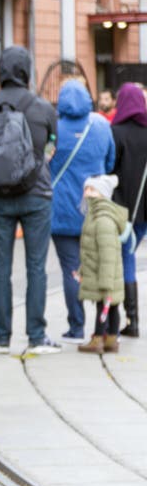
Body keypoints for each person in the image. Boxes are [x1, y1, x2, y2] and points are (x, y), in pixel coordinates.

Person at [0, 46, 59, 355]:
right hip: (36, 195)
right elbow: (53, 146)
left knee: (1, 267)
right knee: (36, 267)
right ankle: (36, 334)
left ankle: (1, 337)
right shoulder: (43, 108)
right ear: (27, 69)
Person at [50, 80, 115, 346]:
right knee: (100, 266)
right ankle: (103, 327)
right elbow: (110, 162)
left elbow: (46, 162)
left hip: (62, 210)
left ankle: (76, 326)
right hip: (95, 207)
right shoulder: (101, 125)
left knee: (71, 269)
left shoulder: (55, 128)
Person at [111, 83, 147, 338]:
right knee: (130, 254)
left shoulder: (116, 132)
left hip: (122, 208)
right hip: (144, 210)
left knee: (126, 258)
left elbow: (109, 169)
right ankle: (131, 318)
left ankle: (131, 319)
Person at [77, 175, 127, 354]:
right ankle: (112, 338)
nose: (87, 193)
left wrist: (105, 282)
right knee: (111, 306)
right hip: (100, 272)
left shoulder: (103, 219)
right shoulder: (94, 215)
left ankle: (99, 338)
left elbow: (107, 254)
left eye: (92, 190)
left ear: (103, 194)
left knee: (104, 306)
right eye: (86, 189)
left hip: (104, 275)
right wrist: (82, 270)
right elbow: (89, 250)